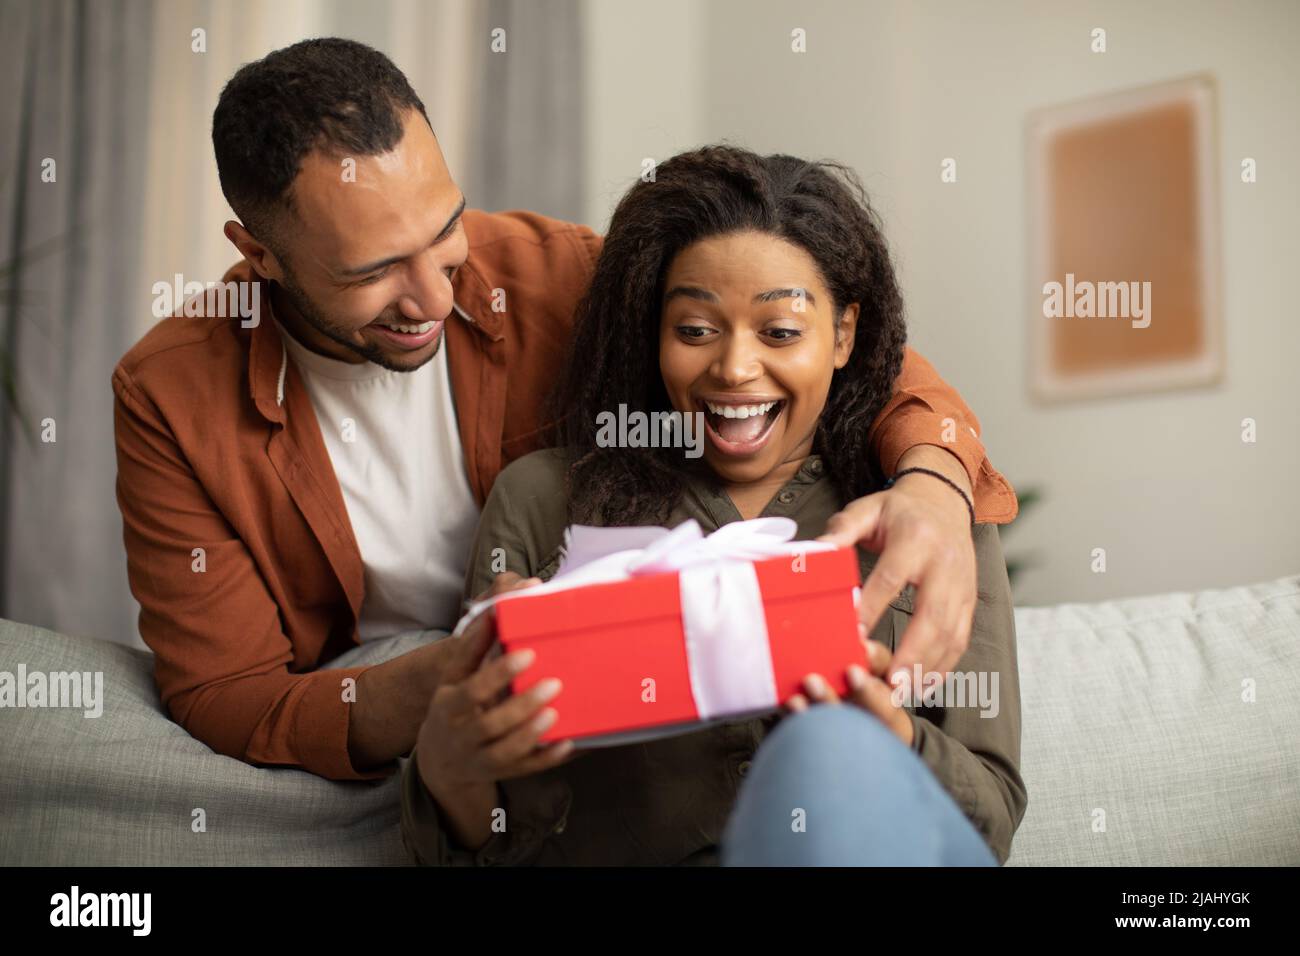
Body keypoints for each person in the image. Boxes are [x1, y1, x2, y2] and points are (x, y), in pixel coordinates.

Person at [113, 38, 1016, 783]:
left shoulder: (554, 274)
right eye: (371, 271)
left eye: (443, 231)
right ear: (259, 254)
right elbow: (228, 690)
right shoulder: (169, 396)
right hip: (395, 703)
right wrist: (457, 679)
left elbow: (853, 363)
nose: (431, 293)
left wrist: (936, 486)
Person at [402, 146, 1026, 865]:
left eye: (781, 332)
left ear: (844, 334)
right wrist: (448, 763)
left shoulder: (925, 516)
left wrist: (889, 739)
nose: (733, 368)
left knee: (829, 750)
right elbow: (499, 841)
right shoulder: (544, 502)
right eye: (694, 330)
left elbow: (992, 817)